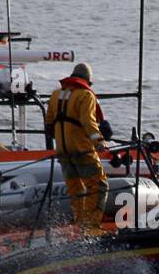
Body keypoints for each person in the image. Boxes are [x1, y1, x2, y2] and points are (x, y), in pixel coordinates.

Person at [45, 62, 111, 234]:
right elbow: (88, 122)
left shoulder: (55, 95)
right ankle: (91, 228)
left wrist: (62, 139)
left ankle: (80, 226)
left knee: (76, 189)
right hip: (82, 149)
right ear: (88, 81)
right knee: (99, 184)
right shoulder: (85, 96)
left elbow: (49, 124)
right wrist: (99, 142)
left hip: (63, 152)